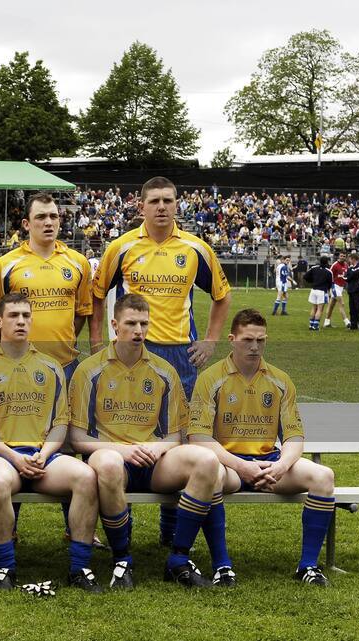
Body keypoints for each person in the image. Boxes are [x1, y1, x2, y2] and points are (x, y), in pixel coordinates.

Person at [89, 176, 231, 547]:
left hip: (179, 355)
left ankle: (171, 528)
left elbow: (222, 296)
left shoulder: (196, 249)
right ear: (141, 206)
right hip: (131, 353)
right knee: (126, 430)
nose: (162, 207)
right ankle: (122, 523)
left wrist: (210, 341)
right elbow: (97, 294)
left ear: (177, 204)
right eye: (154, 201)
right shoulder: (121, 247)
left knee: (177, 440)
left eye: (168, 200)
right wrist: (96, 343)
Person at [71, 294, 226, 589]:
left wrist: (157, 447)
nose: (138, 330)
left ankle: (178, 559)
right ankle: (122, 560)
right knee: (109, 464)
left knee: (207, 461)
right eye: (131, 323)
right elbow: (78, 438)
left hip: (155, 462)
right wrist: (123, 451)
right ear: (115, 325)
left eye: (144, 324)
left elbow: (175, 434)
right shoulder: (88, 370)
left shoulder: (164, 371)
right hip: (113, 459)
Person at [189, 308, 336, 586]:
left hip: (269, 464)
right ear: (232, 340)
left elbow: (294, 437)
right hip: (229, 466)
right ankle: (222, 566)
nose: (255, 347)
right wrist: (242, 466)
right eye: (247, 340)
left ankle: (308, 566)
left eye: (261, 340)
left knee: (323, 476)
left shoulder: (280, 380)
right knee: (212, 477)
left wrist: (281, 466)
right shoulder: (210, 378)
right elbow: (199, 437)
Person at [0, 293, 101, 592]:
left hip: (44, 457)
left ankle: (80, 568)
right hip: (3, 456)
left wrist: (44, 453)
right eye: (13, 315)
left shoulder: (51, 366)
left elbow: (60, 422)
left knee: (85, 476)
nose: (21, 321)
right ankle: (5, 569)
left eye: (26, 316)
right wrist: (14, 458)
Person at [0, 192, 92, 382]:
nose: (48, 222)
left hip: (66, 366)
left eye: (53, 216)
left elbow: (81, 313)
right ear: (26, 224)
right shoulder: (3, 266)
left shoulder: (79, 263)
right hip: (20, 366)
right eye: (41, 217)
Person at [303, 257, 333, 331]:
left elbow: (305, 276)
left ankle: (311, 325)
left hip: (314, 290)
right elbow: (330, 284)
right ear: (327, 262)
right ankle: (315, 326)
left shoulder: (314, 268)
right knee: (319, 309)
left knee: (313, 308)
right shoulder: (329, 271)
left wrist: (313, 281)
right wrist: (328, 290)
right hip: (322, 291)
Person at [325, 252, 350, 328]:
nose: (342, 257)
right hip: (335, 286)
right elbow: (329, 275)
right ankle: (347, 322)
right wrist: (329, 288)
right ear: (338, 257)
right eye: (341, 256)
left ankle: (326, 322)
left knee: (331, 305)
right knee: (341, 303)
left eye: (344, 256)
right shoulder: (335, 265)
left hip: (341, 287)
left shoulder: (346, 265)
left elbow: (346, 275)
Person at [344, 253, 359, 330]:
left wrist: (350, 271)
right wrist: (349, 273)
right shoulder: (351, 267)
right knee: (352, 309)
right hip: (351, 290)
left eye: (349, 259)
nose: (348, 260)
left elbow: (353, 273)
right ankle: (353, 325)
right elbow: (346, 278)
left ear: (353, 259)